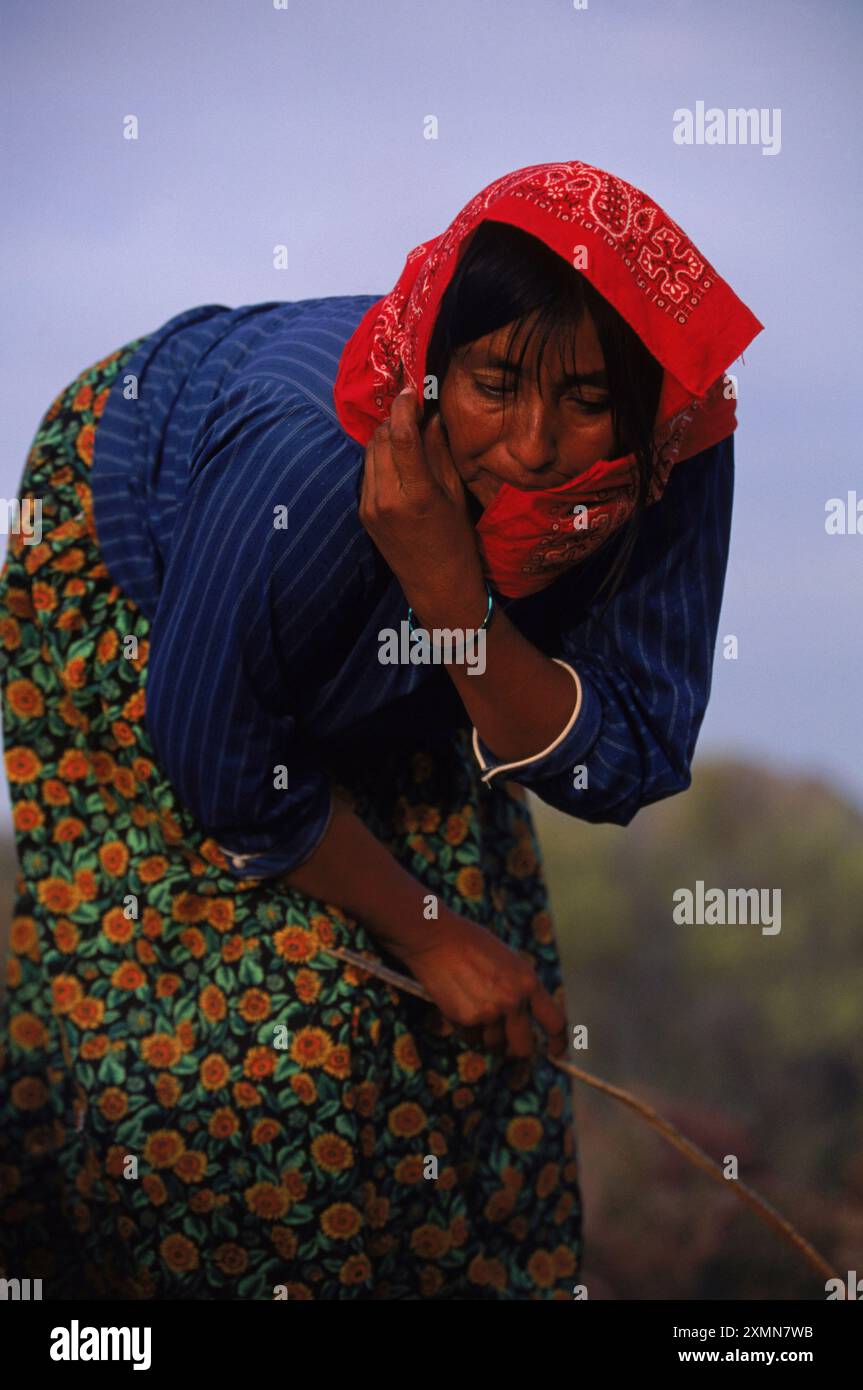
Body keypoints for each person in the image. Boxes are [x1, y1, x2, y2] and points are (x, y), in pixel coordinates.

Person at [0, 160, 762, 1300]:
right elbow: (216, 756)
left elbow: (625, 757)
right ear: (436, 366)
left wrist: (454, 601)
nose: (534, 447)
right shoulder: (306, 459)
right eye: (494, 384)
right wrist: (429, 932)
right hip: (146, 588)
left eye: (586, 399)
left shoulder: (672, 444)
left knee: (476, 1052)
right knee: (263, 1061)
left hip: (425, 608)